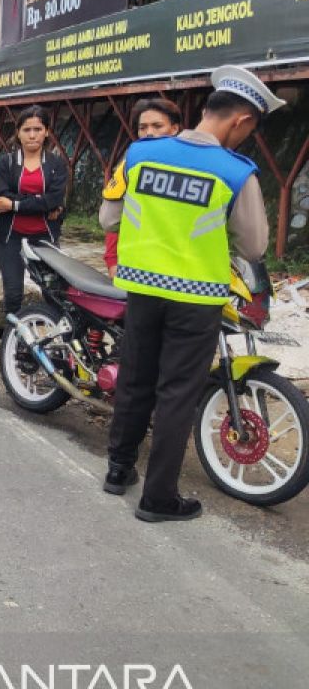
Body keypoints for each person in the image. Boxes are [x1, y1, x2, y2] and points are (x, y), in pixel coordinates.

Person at [100, 65, 281, 522]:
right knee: (177, 393)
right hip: (197, 298)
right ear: (241, 121)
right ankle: (158, 499)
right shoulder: (236, 172)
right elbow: (254, 246)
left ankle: (118, 470)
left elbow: (107, 219)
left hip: (140, 289)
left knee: (135, 377)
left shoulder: (140, 153)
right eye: (251, 128)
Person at [0, 105, 68, 316]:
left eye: (38, 129)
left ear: (47, 132)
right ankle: (13, 343)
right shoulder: (5, 163)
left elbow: (54, 199)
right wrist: (40, 203)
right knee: (13, 295)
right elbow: (1, 195)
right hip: (11, 238)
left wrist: (15, 205)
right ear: (18, 132)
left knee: (52, 294)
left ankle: (52, 343)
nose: (32, 135)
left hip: (44, 238)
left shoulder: (56, 164)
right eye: (26, 130)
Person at [103, 98, 183, 277]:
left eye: (157, 126)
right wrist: (112, 260)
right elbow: (111, 221)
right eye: (143, 127)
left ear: (175, 128)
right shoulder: (129, 165)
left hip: (180, 270)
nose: (149, 133)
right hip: (139, 267)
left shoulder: (192, 168)